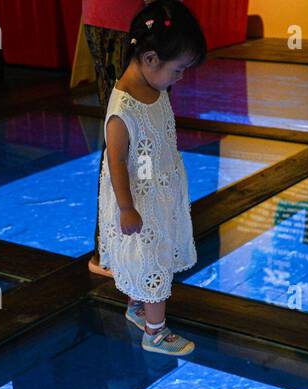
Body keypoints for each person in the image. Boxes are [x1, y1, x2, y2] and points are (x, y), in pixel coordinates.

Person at [97, 1, 206, 355]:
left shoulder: (155, 88)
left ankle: (136, 306)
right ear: (149, 59)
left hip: (157, 189)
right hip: (138, 200)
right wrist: (127, 208)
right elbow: (115, 162)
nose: (181, 77)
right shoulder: (122, 110)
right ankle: (155, 333)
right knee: (153, 259)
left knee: (148, 255)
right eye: (178, 70)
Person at [82, 0, 147, 278]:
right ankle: (109, 249)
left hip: (123, 19)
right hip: (118, 20)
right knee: (123, 134)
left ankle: (126, 243)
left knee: (139, 134)